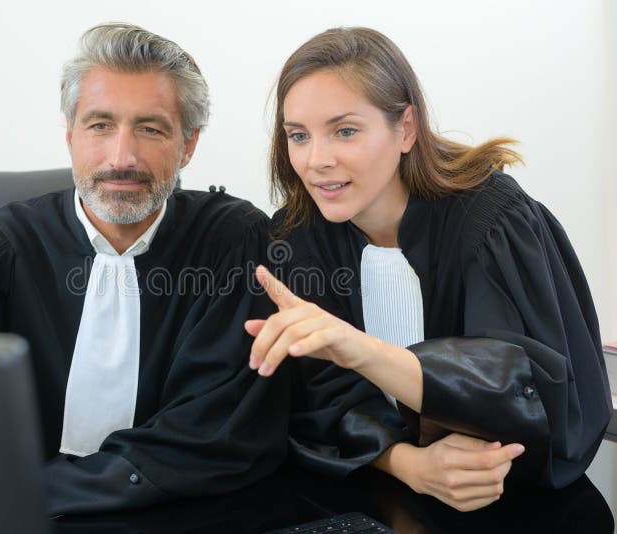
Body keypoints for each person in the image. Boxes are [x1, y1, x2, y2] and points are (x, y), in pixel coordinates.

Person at [0, 23, 301, 516]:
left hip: (180, 513)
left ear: (187, 145)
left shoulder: (233, 242)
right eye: (100, 125)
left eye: (150, 128)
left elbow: (224, 431)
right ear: (70, 135)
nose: (121, 157)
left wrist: (39, 493)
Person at [246, 27, 611, 512]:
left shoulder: (491, 220)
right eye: (298, 136)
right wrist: (407, 464)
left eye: (345, 130)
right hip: (379, 499)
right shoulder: (298, 240)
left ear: (406, 129)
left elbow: (527, 391)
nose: (317, 160)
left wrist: (363, 351)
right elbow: (317, 404)